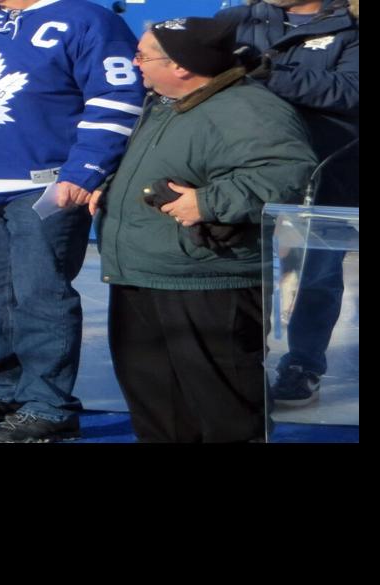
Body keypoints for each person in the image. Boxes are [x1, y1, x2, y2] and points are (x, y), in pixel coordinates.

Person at [0, 0, 142, 443]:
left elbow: (118, 98)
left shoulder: (90, 20)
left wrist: (85, 171)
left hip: (49, 185)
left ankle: (49, 405)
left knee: (41, 293)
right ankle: (3, 389)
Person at [90, 17, 314, 441]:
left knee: (222, 412)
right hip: (142, 274)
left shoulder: (248, 109)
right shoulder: (166, 103)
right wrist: (110, 187)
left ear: (181, 66)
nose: (133, 63)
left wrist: (207, 202)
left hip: (208, 282)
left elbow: (288, 174)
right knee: (158, 408)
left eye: (142, 55)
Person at [216, 0, 358, 407]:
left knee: (316, 277)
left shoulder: (351, 27)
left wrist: (268, 73)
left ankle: (303, 364)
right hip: (242, 167)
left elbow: (350, 90)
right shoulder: (235, 18)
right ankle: (236, 362)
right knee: (235, 270)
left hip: (328, 172)